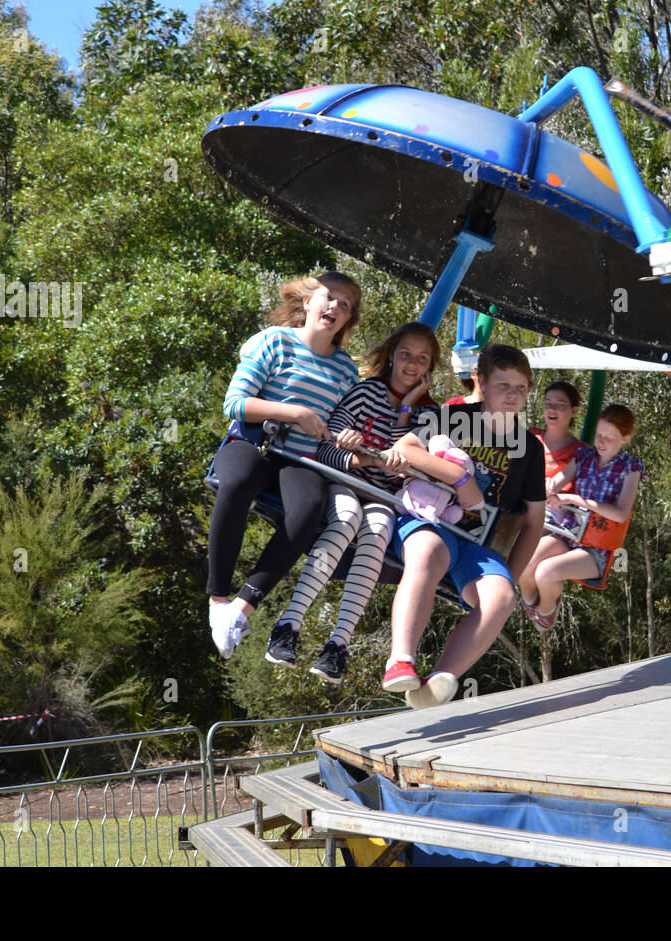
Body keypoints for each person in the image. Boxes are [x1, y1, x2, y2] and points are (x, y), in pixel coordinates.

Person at [265, 323, 445, 683]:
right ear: (392, 355)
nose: (411, 364)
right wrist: (368, 459)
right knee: (346, 519)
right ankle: (288, 624)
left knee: (377, 531)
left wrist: (406, 411)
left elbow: (411, 468)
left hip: (382, 496)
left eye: (421, 359)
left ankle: (338, 644)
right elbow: (326, 449)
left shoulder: (430, 415)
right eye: (406, 355)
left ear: (429, 368)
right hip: (347, 483)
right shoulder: (365, 394)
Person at [206, 272, 361, 658]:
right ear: (308, 302)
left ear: (347, 320)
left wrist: (348, 437)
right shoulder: (272, 342)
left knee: (309, 510)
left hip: (302, 456)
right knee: (237, 480)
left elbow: (336, 422)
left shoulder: (345, 370)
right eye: (329, 298)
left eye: (345, 305)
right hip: (256, 441)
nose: (334, 308)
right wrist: (294, 412)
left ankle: (243, 607)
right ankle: (218, 600)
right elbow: (235, 404)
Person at [383, 344, 547, 708]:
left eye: (521, 388)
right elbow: (406, 449)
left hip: (477, 544)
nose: (513, 395)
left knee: (501, 599)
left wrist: (510, 573)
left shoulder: (530, 448)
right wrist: (459, 478)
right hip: (432, 520)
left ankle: (439, 680)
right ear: (482, 383)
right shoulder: (455, 417)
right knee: (428, 554)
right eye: (503, 385)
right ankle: (401, 659)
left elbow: (534, 521)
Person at [519, 404, 643, 632]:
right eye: (599, 435)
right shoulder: (584, 456)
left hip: (596, 549)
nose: (601, 442)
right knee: (524, 563)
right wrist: (546, 489)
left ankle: (546, 611)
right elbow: (554, 482)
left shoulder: (630, 468)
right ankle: (530, 602)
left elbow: (621, 513)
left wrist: (575, 500)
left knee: (545, 572)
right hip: (568, 534)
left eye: (609, 438)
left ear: (625, 438)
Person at [529, 381, 586, 525]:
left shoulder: (582, 453)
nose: (552, 409)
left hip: (553, 520)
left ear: (574, 411)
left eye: (560, 405)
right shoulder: (529, 436)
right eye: (548, 403)